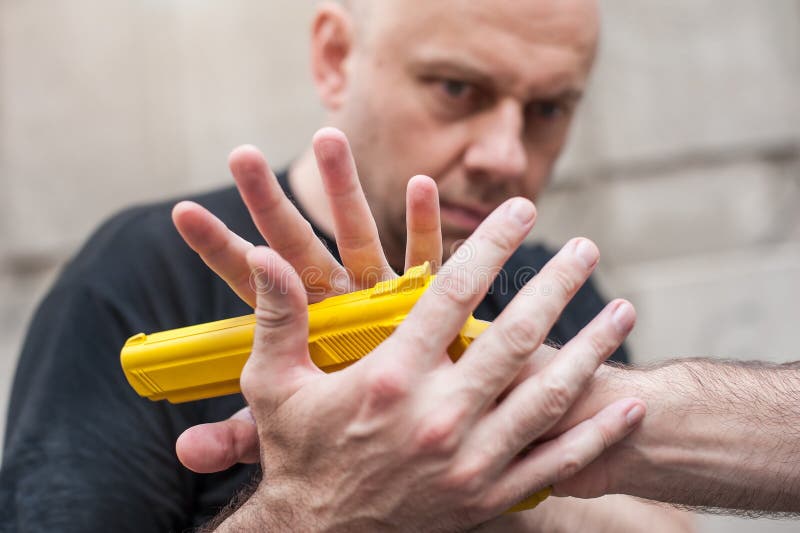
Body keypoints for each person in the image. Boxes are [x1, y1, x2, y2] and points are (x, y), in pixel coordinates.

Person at [0, 0, 694, 531]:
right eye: (458, 88)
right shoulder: (140, 278)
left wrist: (486, 465)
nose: (506, 155)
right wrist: (315, 503)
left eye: (547, 108)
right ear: (335, 58)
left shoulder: (542, 290)